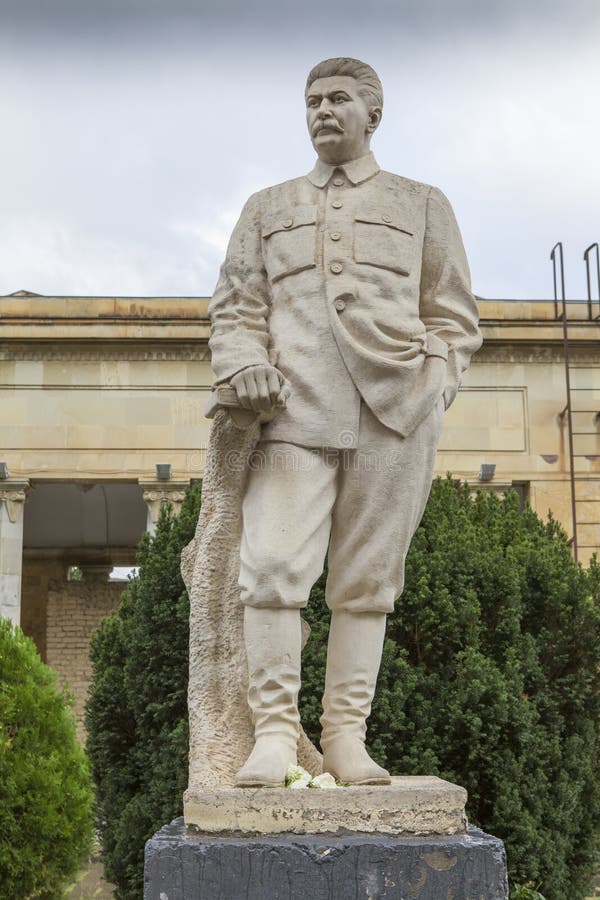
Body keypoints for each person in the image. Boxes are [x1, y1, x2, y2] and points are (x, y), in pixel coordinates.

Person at [207, 57, 482, 787]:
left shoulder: (424, 203)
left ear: (373, 114)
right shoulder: (267, 207)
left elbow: (454, 317)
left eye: (338, 99)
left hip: (396, 416)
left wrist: (437, 387)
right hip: (292, 413)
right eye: (311, 101)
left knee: (367, 584)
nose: (322, 111)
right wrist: (242, 366)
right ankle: (272, 735)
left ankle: (346, 738)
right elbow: (236, 309)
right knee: (269, 571)